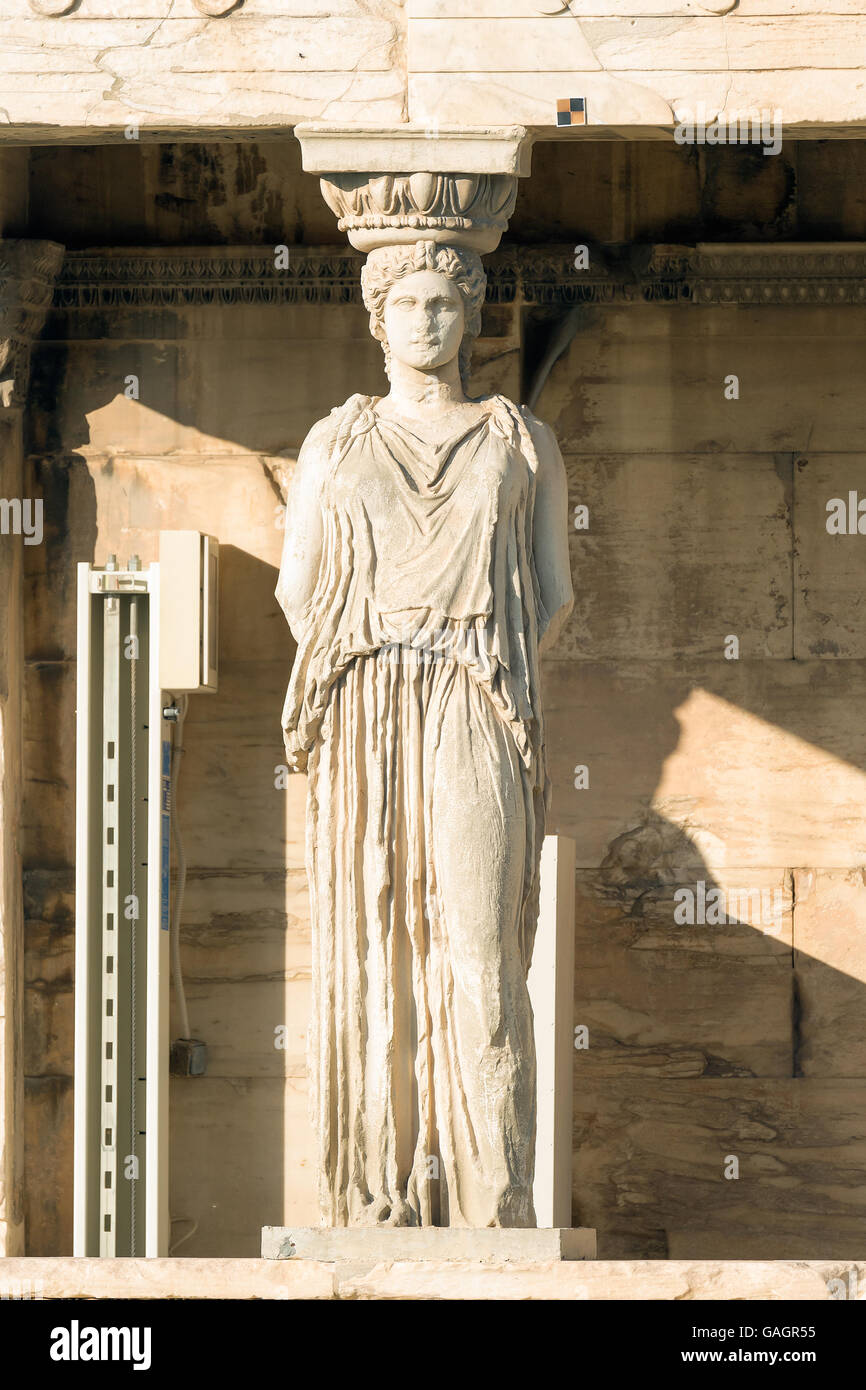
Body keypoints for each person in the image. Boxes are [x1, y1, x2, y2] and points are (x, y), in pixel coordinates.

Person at [276, 238, 573, 1227]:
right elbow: (297, 585)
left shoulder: (518, 437)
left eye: (445, 302)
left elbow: (553, 594)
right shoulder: (337, 441)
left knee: (481, 949)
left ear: (469, 314)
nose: (427, 321)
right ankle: (375, 1198)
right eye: (407, 302)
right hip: (368, 703)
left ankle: (496, 1200)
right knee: (373, 945)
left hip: (475, 699)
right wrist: (372, 654)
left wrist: (468, 654)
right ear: (377, 316)